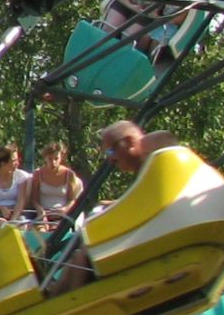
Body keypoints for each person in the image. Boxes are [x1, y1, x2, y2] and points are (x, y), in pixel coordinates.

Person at [41, 121, 178, 294]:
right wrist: (114, 204)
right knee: (79, 255)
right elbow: (143, 201)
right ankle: (54, 297)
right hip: (143, 240)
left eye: (111, 151)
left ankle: (66, 303)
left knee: (83, 255)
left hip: (151, 246)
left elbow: (150, 205)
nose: (110, 158)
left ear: (128, 142)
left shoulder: (158, 172)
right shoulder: (147, 174)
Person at [17, 142, 84, 233]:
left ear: (61, 158)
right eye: (50, 159)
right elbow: (34, 200)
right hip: (43, 215)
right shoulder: (38, 174)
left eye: (56, 159)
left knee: (57, 233)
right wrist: (41, 212)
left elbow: (72, 200)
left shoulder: (69, 175)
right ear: (45, 158)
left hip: (61, 216)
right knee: (41, 232)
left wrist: (64, 209)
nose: (53, 162)